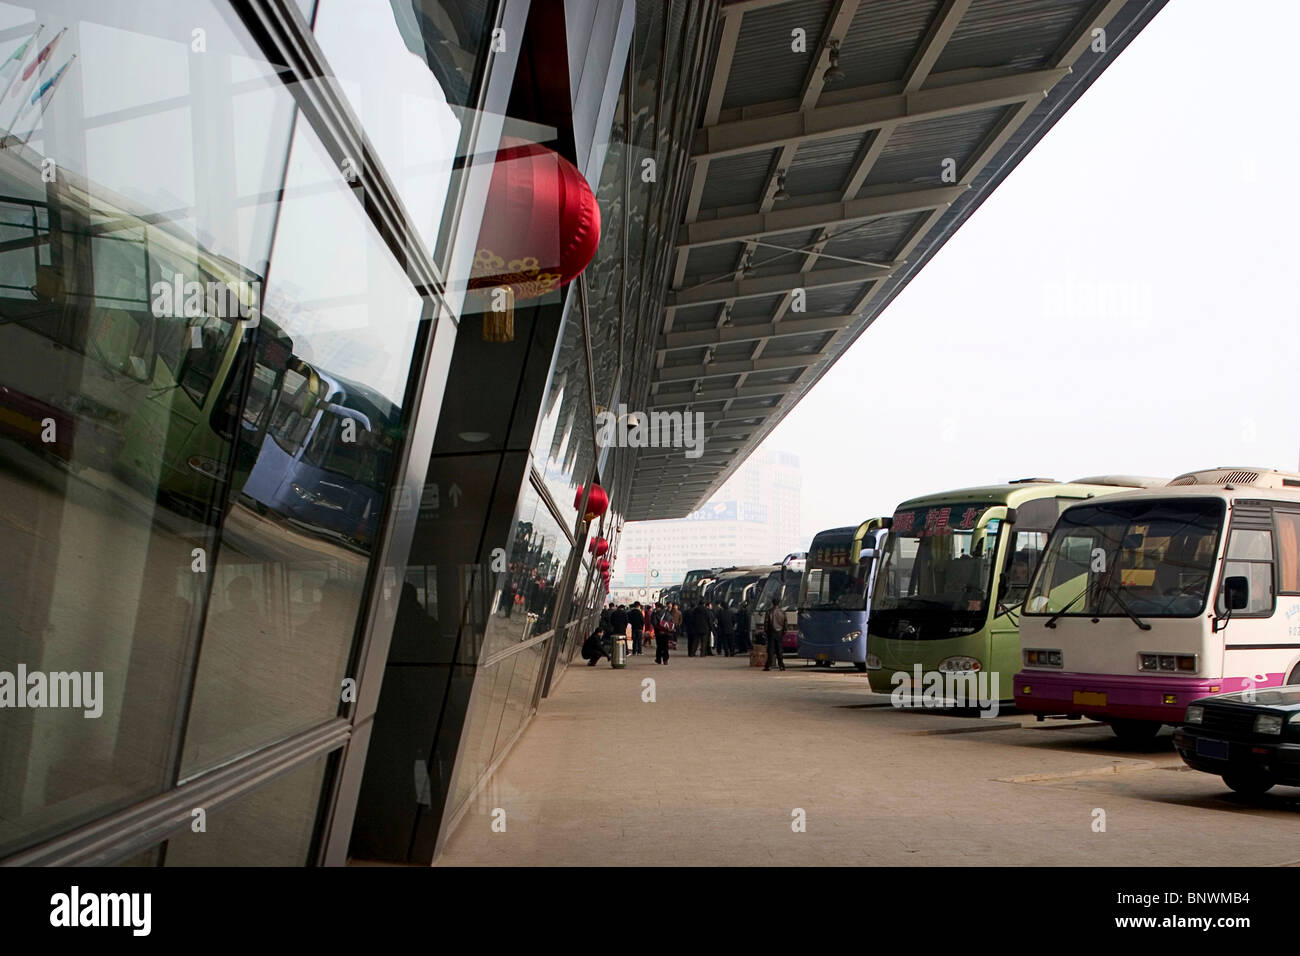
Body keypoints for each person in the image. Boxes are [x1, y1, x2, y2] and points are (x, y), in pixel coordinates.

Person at [763, 600, 787, 671]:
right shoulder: (782, 612)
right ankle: (781, 665)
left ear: (772, 603)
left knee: (771, 649)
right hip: (779, 633)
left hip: (771, 632)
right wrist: (783, 632)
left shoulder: (769, 612)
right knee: (779, 649)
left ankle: (768, 665)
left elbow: (766, 623)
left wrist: (766, 632)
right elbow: (785, 623)